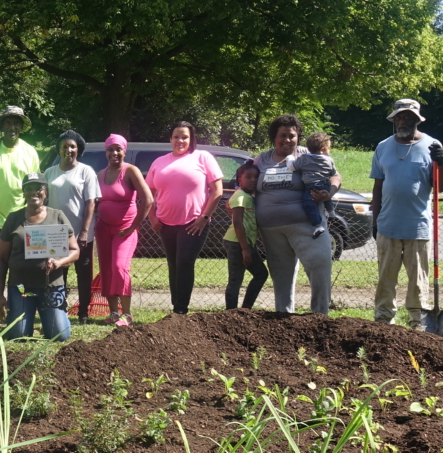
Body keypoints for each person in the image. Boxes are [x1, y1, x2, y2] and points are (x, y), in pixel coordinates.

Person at [371, 98, 443, 327]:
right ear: (394, 120)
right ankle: (383, 320)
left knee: (418, 282)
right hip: (388, 225)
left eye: (408, 117)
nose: (403, 121)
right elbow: (378, 186)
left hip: (418, 226)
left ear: (417, 119)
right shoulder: (383, 146)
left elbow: (440, 186)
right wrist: (374, 222)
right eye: (399, 117)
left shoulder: (432, 145)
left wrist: (441, 163)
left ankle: (419, 322)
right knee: (386, 279)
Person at [253, 114, 341, 315]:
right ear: (274, 138)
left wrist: (330, 192)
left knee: (319, 267)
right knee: (281, 276)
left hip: (308, 227)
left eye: (291, 135)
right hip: (271, 230)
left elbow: (335, 174)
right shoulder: (262, 159)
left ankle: (319, 317)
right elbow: (246, 180)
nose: (287, 140)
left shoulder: (308, 155)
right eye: (282, 135)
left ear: (298, 137)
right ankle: (284, 319)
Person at [145, 121, 224, 316]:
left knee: (184, 262)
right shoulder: (159, 162)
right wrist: (152, 218)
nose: (180, 140)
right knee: (173, 264)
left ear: (191, 139)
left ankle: (181, 309)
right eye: (176, 137)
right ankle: (175, 307)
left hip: (194, 224)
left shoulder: (203, 157)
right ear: (170, 139)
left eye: (185, 137)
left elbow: (217, 192)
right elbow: (147, 194)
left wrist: (204, 218)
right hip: (165, 224)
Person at [0, 106, 41, 322]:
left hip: (22, 221)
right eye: (8, 123)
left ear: (21, 127)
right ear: (2, 126)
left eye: (16, 123)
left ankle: (19, 307)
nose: (12, 127)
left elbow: (36, 188)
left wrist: (36, 217)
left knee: (21, 267)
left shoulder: (30, 152)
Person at [0, 174, 80, 341]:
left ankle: (56, 318)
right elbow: (1, 259)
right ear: (23, 193)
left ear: (46, 192)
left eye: (39, 188)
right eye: (29, 188)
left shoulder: (58, 216)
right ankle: (26, 318)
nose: (34, 192)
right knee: (18, 336)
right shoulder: (14, 219)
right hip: (21, 288)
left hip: (51, 286)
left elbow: (75, 250)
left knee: (60, 335)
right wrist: (0, 295)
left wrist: (59, 261)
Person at [95, 134, 153, 327]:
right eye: (111, 149)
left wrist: (133, 226)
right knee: (107, 269)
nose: (114, 153)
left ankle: (126, 314)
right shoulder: (100, 174)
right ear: (106, 151)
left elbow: (148, 200)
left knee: (120, 267)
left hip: (125, 230)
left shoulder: (130, 171)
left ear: (124, 151)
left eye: (118, 149)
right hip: (103, 229)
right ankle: (113, 313)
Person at [46, 129, 100, 324]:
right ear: (58, 150)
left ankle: (83, 313)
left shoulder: (86, 171)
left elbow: (91, 203)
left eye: (72, 147)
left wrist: (85, 231)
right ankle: (60, 309)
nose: (68, 150)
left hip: (80, 234)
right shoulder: (49, 173)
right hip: (56, 234)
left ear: (78, 150)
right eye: (64, 146)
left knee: (83, 275)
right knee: (59, 274)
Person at [223, 160, 269, 310]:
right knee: (236, 279)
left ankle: (245, 310)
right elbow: (237, 222)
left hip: (244, 243)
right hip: (237, 242)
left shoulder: (249, 195)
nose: (253, 180)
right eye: (248, 177)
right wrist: (245, 249)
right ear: (239, 179)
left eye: (255, 177)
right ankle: (231, 314)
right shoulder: (241, 196)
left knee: (260, 274)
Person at [295, 132, 339, 239]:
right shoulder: (329, 160)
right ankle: (331, 211)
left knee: (309, 205)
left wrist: (290, 160)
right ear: (323, 149)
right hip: (325, 183)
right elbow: (332, 173)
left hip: (311, 186)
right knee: (326, 195)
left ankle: (318, 225)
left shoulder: (304, 158)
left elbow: (295, 166)